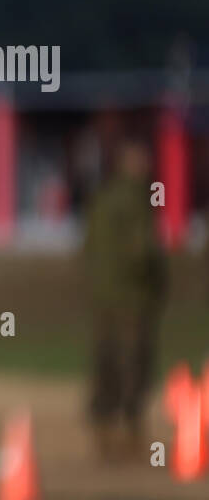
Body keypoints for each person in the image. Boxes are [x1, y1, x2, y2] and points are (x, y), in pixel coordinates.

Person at [82, 138, 168, 464]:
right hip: (132, 296)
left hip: (102, 294)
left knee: (105, 358)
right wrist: (159, 278)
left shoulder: (101, 197)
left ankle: (103, 425)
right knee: (134, 361)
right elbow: (141, 252)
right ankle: (131, 431)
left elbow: (88, 245)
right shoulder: (134, 200)